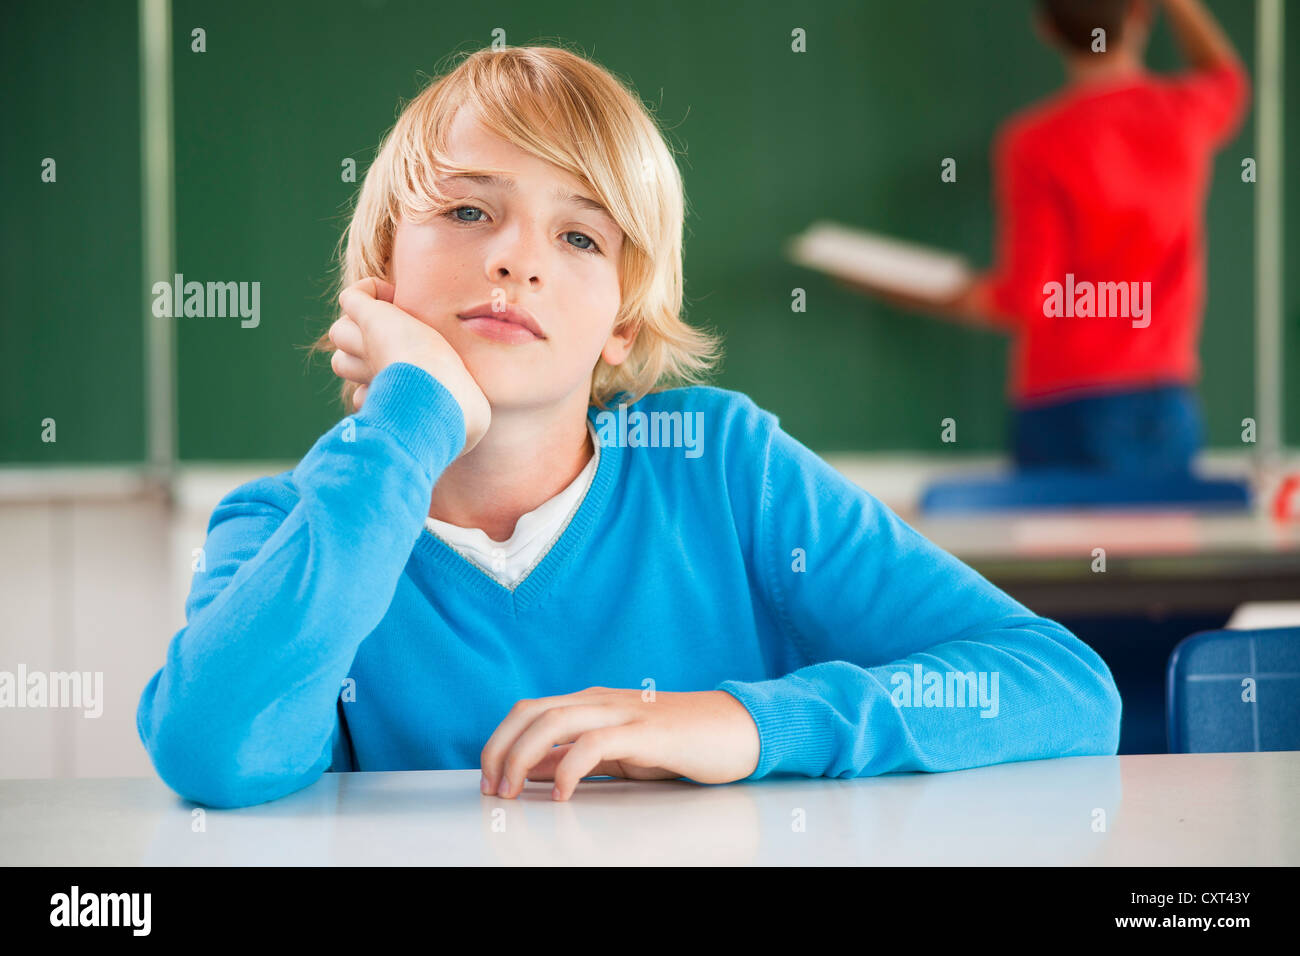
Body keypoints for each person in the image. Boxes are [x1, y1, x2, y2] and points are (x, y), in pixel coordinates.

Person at [136, 45, 1121, 809]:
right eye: (470, 211)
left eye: (578, 235)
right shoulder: (291, 523)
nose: (517, 258)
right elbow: (210, 748)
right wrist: (410, 421)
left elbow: (1063, 683)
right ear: (382, 270)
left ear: (620, 324)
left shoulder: (723, 468)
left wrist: (745, 721)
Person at [845, 0, 1250, 478]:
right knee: (1161, 552)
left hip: (1060, 404)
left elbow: (1024, 299)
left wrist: (889, 286)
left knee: (1056, 556)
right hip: (1158, 403)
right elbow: (1227, 78)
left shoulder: (1035, 144)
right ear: (1141, 15)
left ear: (1045, 29)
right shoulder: (1184, 115)